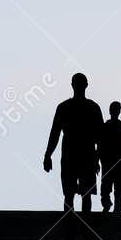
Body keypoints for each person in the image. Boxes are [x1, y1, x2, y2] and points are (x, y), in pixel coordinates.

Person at [43, 72, 101, 213]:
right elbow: (101, 138)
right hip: (82, 154)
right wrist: (97, 158)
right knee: (78, 194)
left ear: (72, 85)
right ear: (86, 85)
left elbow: (55, 133)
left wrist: (48, 155)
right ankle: (78, 222)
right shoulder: (92, 107)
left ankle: (71, 222)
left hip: (75, 153)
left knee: (73, 194)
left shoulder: (64, 107)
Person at [98, 101, 121, 214]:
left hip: (115, 163)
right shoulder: (106, 128)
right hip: (109, 163)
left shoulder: (119, 127)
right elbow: (100, 146)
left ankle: (114, 210)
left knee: (117, 190)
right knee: (108, 190)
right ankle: (110, 206)